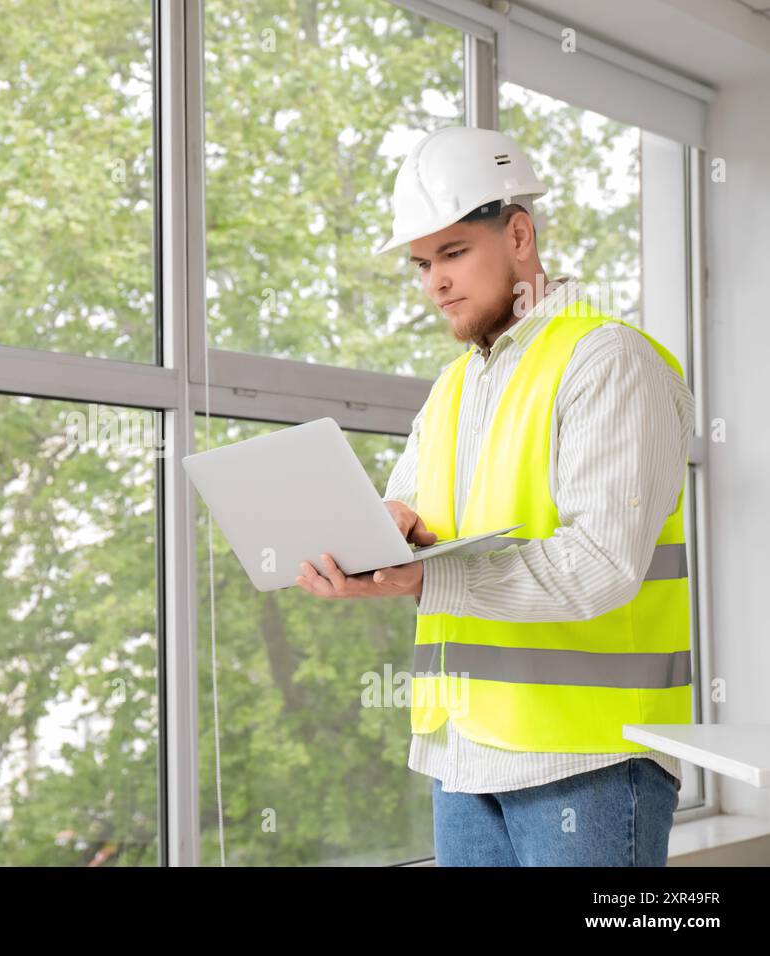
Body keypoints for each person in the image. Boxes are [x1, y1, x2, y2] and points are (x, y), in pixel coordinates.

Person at [293, 126, 693, 866]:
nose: (434, 283)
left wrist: (428, 573)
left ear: (518, 234)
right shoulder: (451, 391)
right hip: (462, 756)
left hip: (587, 760)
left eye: (452, 254)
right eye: (420, 264)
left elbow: (604, 563)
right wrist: (377, 544)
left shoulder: (605, 361)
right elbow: (416, 531)